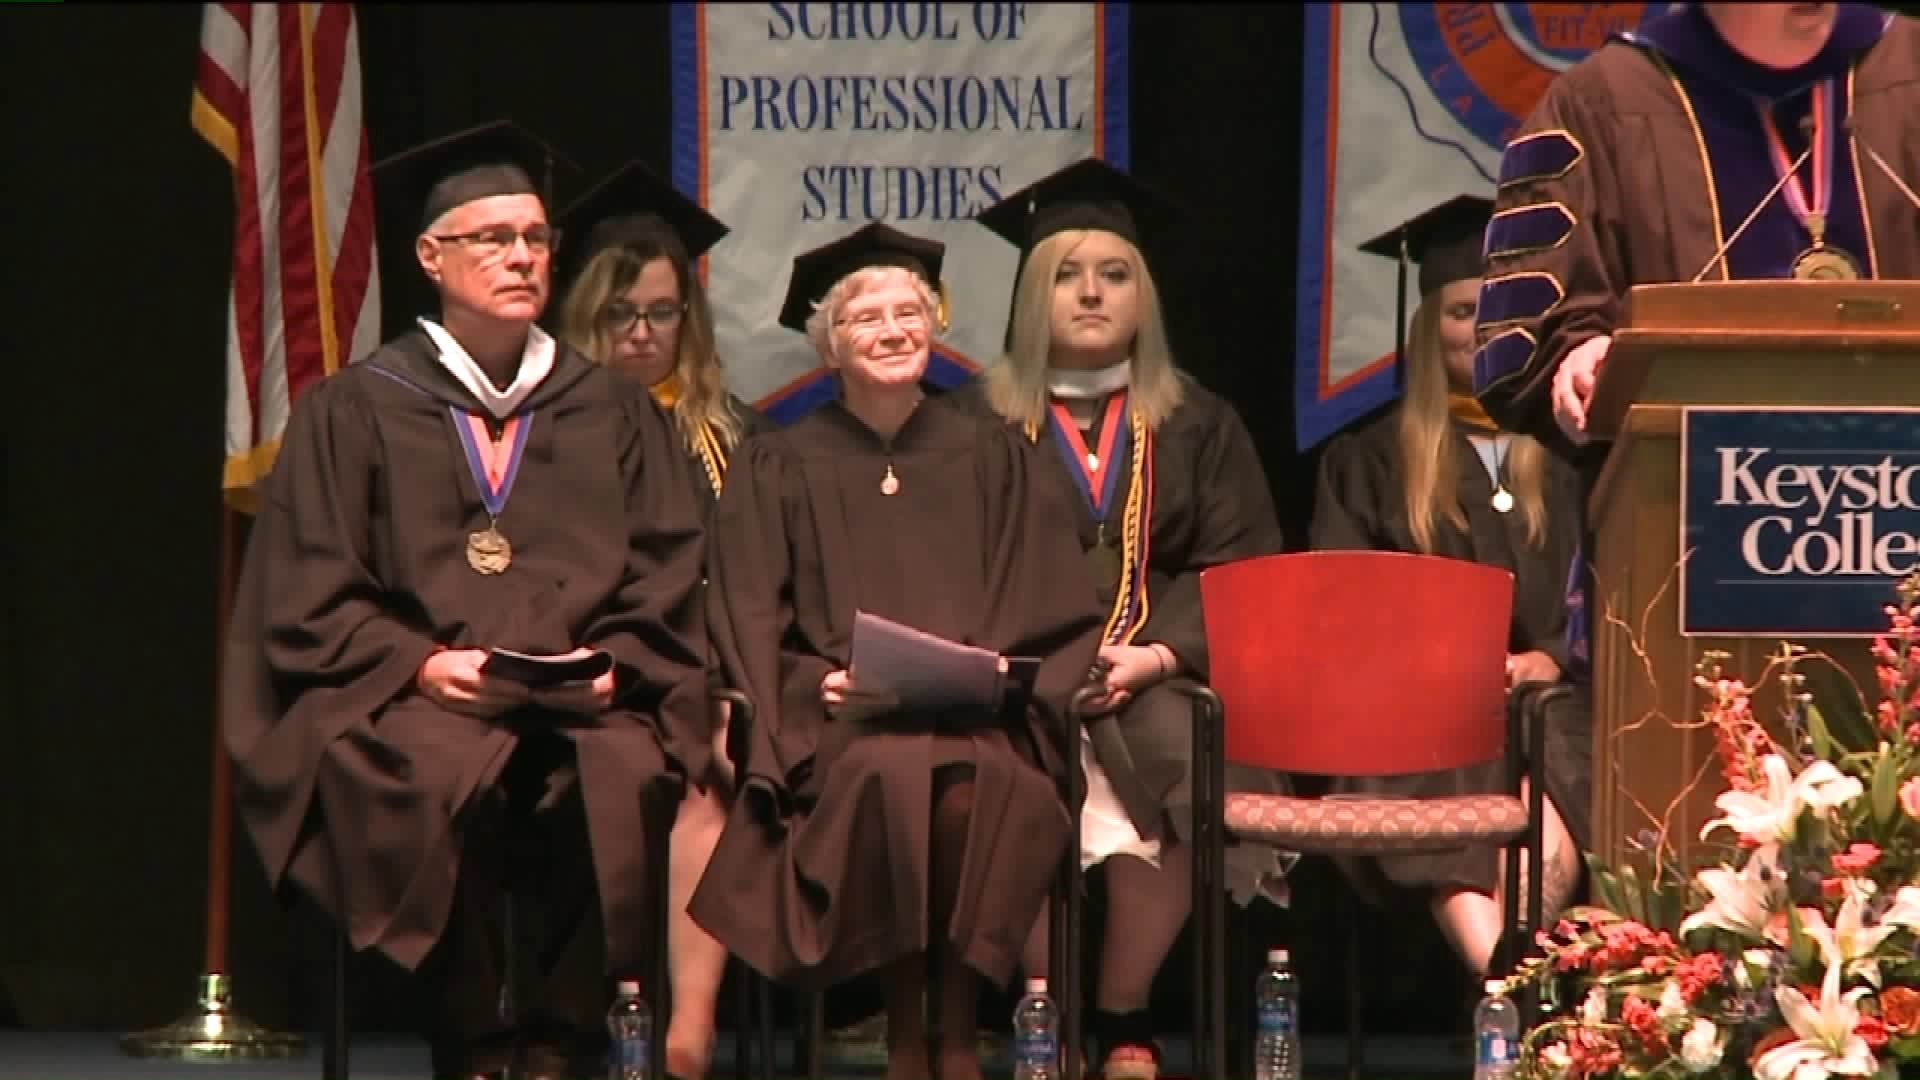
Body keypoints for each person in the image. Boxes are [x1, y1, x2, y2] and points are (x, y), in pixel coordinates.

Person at [221, 120, 712, 1080]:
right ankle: (474, 1044)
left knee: (627, 770)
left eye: (535, 239)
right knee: (419, 769)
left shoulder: (609, 408)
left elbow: (664, 568)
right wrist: (421, 662)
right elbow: (308, 582)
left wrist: (611, 665)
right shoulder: (353, 408)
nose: (522, 257)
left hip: (582, 694)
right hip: (417, 692)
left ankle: (560, 1043)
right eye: (493, 239)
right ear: (431, 255)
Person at [686, 222, 1105, 1080]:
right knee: (892, 781)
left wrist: (994, 681)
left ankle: (948, 1031)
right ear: (828, 344)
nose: (891, 328)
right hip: (842, 730)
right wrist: (815, 689)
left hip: (980, 725)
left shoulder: (996, 454)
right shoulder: (779, 464)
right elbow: (749, 616)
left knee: (971, 785)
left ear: (936, 325)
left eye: (909, 310)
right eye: (865, 316)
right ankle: (912, 1036)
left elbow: (1053, 605)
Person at [956, 158, 1292, 1080]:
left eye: (1115, 273)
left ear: (1143, 293)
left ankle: (1122, 1014)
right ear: (1032, 295)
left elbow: (1240, 563)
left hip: (1152, 670)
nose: (1093, 292)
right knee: (1008, 768)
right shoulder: (973, 423)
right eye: (1067, 274)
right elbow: (946, 565)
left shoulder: (1198, 421)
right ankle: (1042, 1010)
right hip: (1019, 675)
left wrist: (1156, 655)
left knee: (1187, 754)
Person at [1314, 194, 1590, 983]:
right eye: (1465, 310)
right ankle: (1509, 985)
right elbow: (1343, 606)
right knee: (1454, 745)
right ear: (1429, 327)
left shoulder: (1573, 456)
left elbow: (1620, 589)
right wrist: (1442, 665)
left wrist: (1551, 657)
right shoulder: (1369, 460)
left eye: (1501, 311)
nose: (1483, 330)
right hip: (1417, 709)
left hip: (1558, 699)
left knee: (1555, 757)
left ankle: (1507, 988)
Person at [553, 158, 772, 1080]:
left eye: (662, 313)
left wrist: (731, 687)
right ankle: (587, 1010)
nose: (643, 336)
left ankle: (686, 1029)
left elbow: (762, 580)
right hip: (591, 672)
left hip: (710, 675)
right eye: (621, 316)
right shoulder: (550, 426)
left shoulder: (735, 433)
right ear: (587, 317)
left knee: (711, 775)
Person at [1473, 1, 1920, 452]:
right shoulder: (1598, 102)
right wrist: (1576, 358)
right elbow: (1530, 330)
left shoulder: (1909, 64)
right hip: (1683, 490)